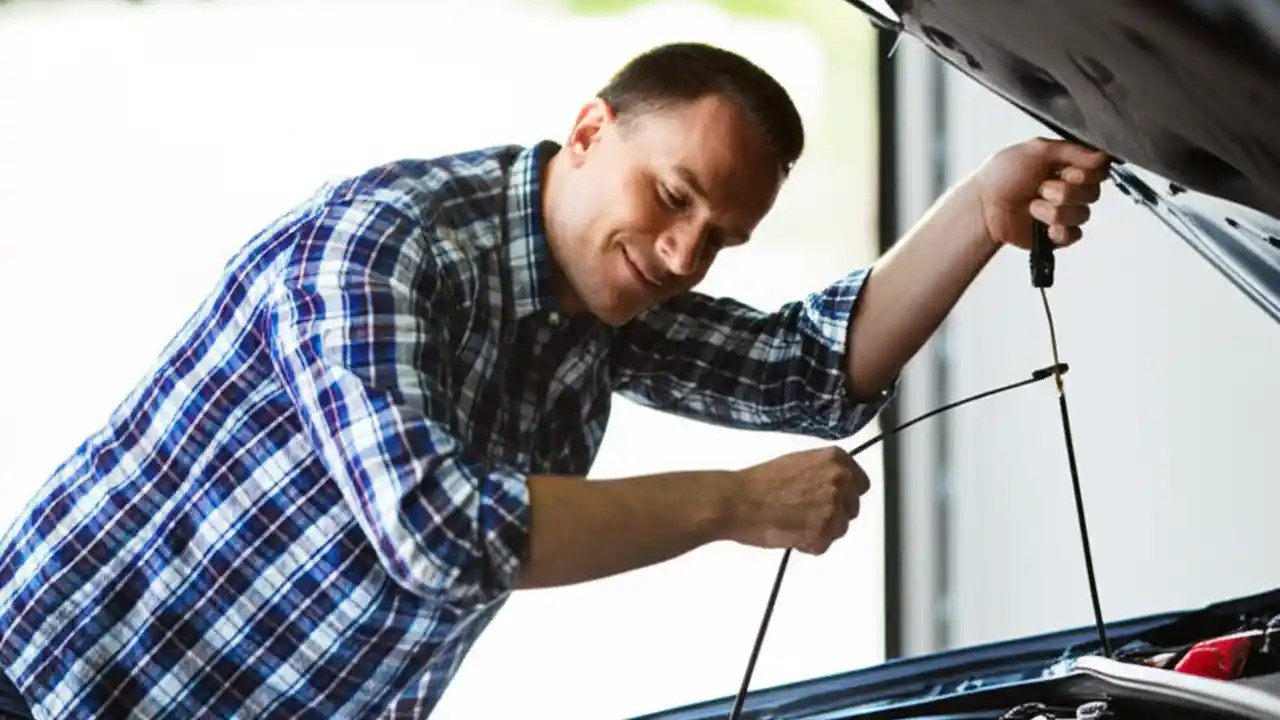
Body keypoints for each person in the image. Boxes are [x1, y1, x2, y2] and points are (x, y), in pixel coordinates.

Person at [0, 42, 1109, 718]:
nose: (682, 255)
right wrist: (734, 503)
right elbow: (433, 530)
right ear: (588, 131)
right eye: (672, 197)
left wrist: (979, 208)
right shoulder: (378, 248)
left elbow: (804, 368)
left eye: (719, 237)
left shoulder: (602, 293)